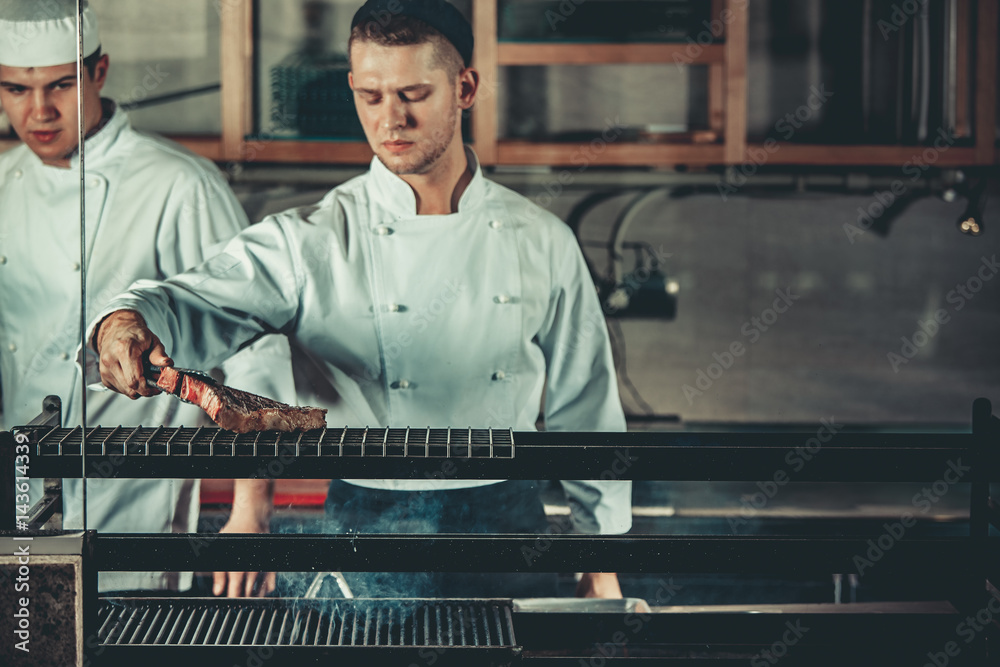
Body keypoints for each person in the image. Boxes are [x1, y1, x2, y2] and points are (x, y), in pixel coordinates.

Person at [91, 0, 631, 598]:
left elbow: (588, 409)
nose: (390, 120)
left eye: (413, 94)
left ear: (466, 88)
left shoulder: (543, 240)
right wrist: (126, 320)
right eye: (371, 97)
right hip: (367, 522)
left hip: (507, 520)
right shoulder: (311, 240)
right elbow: (195, 299)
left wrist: (599, 559)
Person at [0, 0, 294, 597]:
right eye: (14, 89)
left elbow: (253, 352)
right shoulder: (5, 185)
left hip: (130, 508)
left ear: (99, 71)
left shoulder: (179, 185)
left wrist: (252, 508)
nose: (39, 111)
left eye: (60, 84)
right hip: (18, 506)